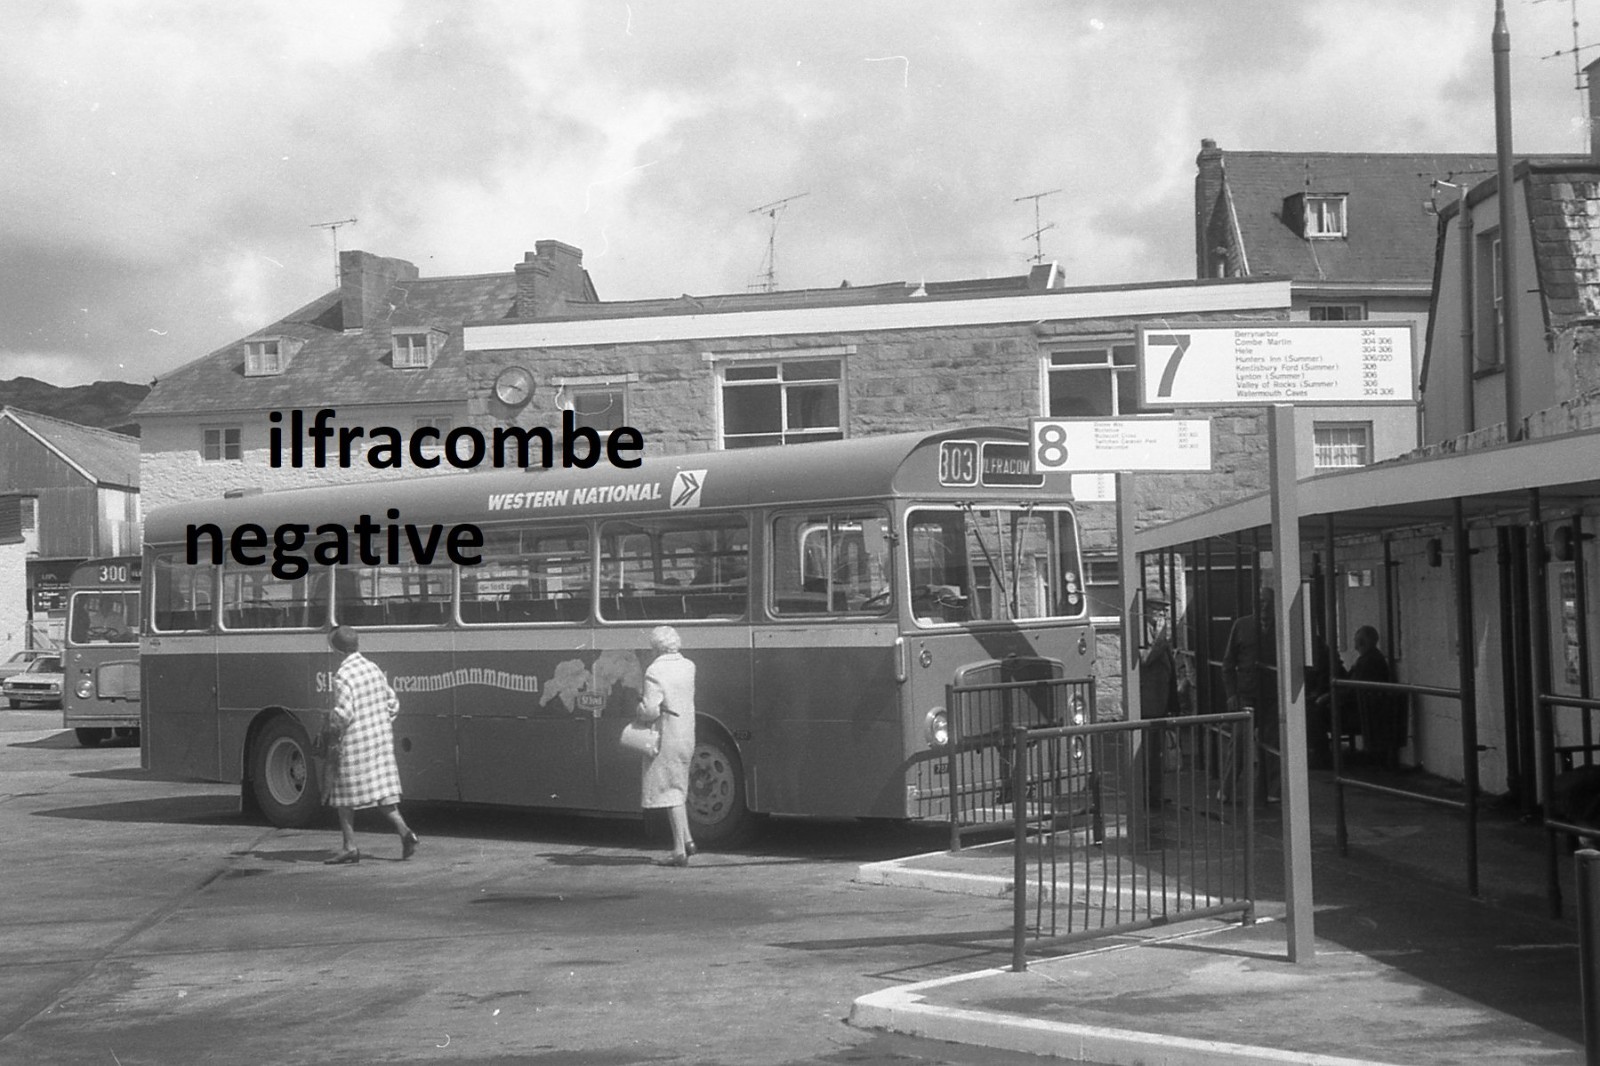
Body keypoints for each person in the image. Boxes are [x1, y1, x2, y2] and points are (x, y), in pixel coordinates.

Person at [321, 626, 418, 865]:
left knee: (343, 798)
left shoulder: (343, 676)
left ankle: (349, 846)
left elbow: (344, 715)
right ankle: (406, 833)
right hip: (380, 741)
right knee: (383, 794)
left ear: (337, 650)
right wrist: (379, 723)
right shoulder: (373, 668)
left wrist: (329, 719)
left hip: (355, 744)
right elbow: (393, 703)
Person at [636, 625, 697, 866]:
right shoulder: (689, 666)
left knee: (669, 792)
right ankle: (689, 840)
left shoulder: (654, 670)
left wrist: (639, 709)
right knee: (678, 786)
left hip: (666, 736)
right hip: (686, 734)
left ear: (656, 648)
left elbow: (650, 711)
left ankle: (679, 850)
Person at [1221, 585, 1279, 803]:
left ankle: (1273, 791)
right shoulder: (1242, 625)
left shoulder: (1281, 626)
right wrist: (1231, 693)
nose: (1264, 607)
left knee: (1272, 743)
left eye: (1268, 602)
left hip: (1272, 695)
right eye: (1260, 602)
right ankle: (1226, 789)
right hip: (1246, 694)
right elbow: (1228, 663)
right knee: (1239, 742)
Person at [1342, 625, 1405, 766]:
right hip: (1366, 706)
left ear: (1363, 643)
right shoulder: (1370, 659)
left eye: (1357, 642)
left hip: (1364, 709)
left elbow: (1353, 687)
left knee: (1319, 712)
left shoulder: (1368, 661)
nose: (1355, 646)